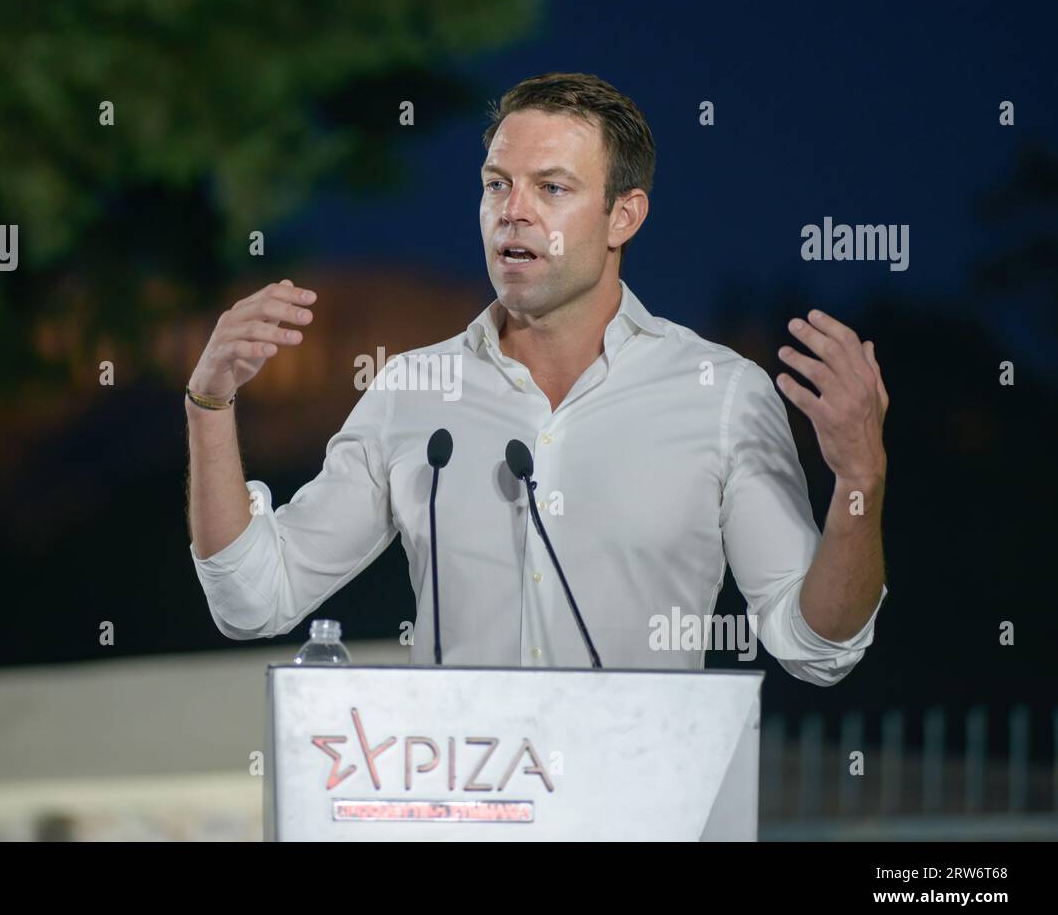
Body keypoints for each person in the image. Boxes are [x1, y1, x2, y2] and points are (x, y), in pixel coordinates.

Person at [183, 71, 889, 685]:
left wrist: (860, 484)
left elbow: (816, 646)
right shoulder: (410, 391)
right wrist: (209, 405)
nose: (512, 210)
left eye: (551, 187)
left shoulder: (722, 394)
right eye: (497, 184)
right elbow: (254, 599)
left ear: (624, 215)